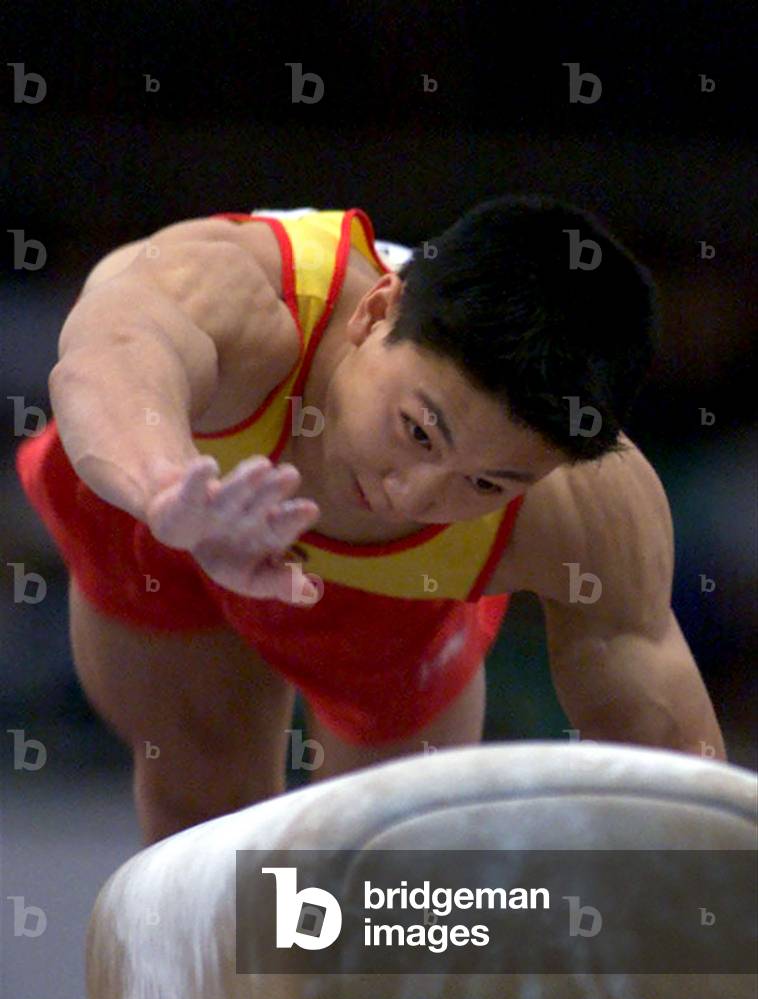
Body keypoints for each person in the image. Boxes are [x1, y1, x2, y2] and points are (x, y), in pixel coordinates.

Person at [15, 197, 727, 846]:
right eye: (420, 432)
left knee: (390, 859)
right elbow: (108, 354)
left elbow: (672, 780)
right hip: (168, 499)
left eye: (485, 483)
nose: (413, 496)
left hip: (396, 589)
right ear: (375, 311)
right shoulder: (252, 301)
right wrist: (167, 491)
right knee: (202, 801)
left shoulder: (585, 507)